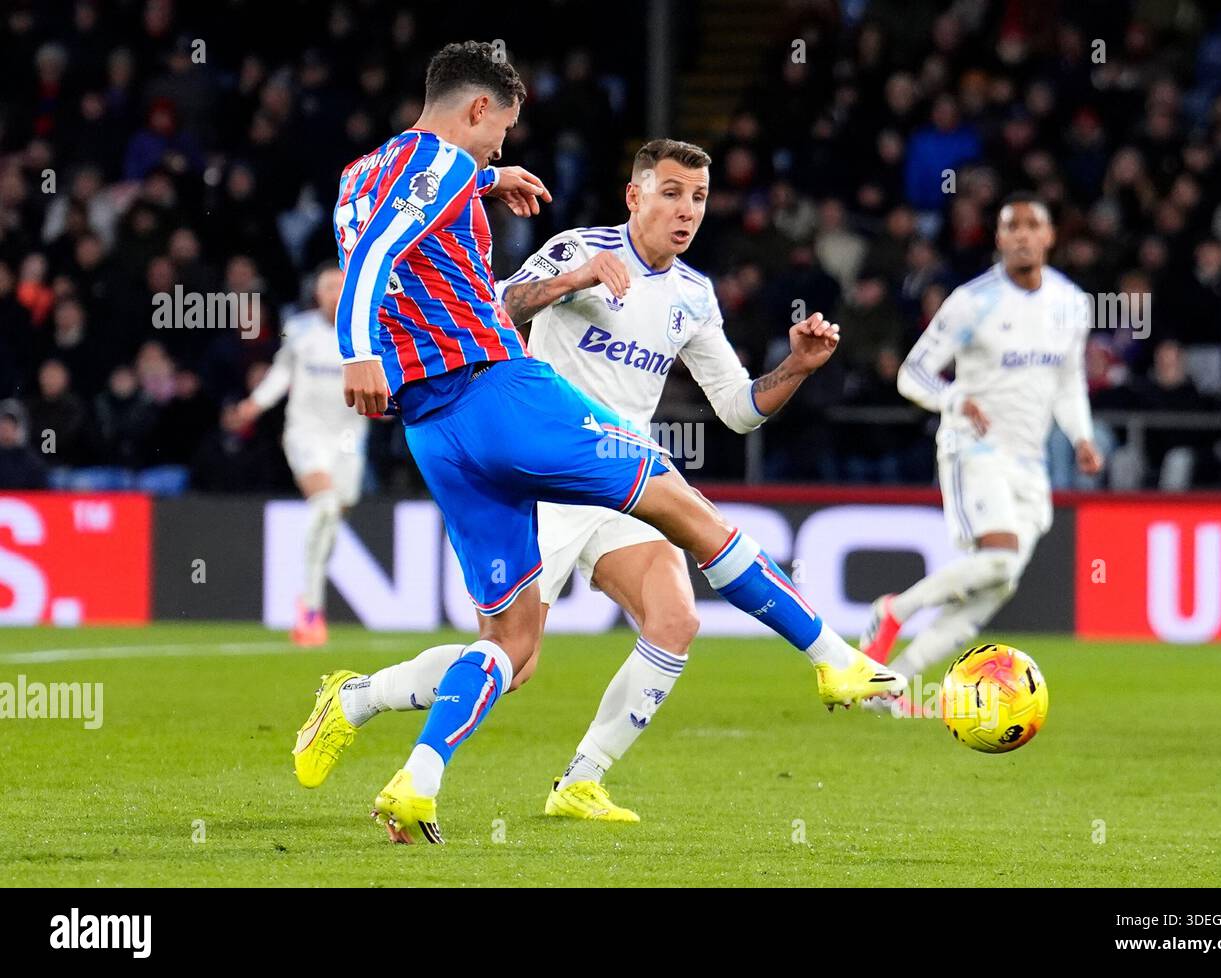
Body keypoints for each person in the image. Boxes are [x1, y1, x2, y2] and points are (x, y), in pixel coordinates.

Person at [291, 41, 903, 845]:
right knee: (683, 506)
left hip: (436, 426)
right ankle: (834, 654)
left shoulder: (364, 174)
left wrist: (794, 366)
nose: (502, 150)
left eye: (700, 198)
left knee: (538, 643)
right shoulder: (556, 231)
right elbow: (391, 263)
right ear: (477, 110)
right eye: (499, 136)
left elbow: (739, 409)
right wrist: (358, 347)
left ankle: (430, 771)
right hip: (516, 411)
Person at [860, 193, 1103, 703]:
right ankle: (894, 611)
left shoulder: (1071, 304)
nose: (1021, 234)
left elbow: (1068, 382)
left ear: (1049, 236)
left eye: (1031, 225)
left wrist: (1081, 436)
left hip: (1030, 460)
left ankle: (894, 683)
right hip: (973, 448)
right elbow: (912, 374)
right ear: (998, 239)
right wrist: (955, 397)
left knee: (1001, 583)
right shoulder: (972, 302)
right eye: (1010, 226)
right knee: (997, 560)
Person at [236, 265, 365, 645]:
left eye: (341, 286)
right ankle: (310, 609)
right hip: (305, 434)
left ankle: (310, 591)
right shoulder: (300, 329)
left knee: (333, 520)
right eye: (328, 287)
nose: (334, 293)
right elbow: (281, 375)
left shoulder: (365, 329)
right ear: (317, 294)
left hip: (348, 438)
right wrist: (254, 405)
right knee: (324, 507)